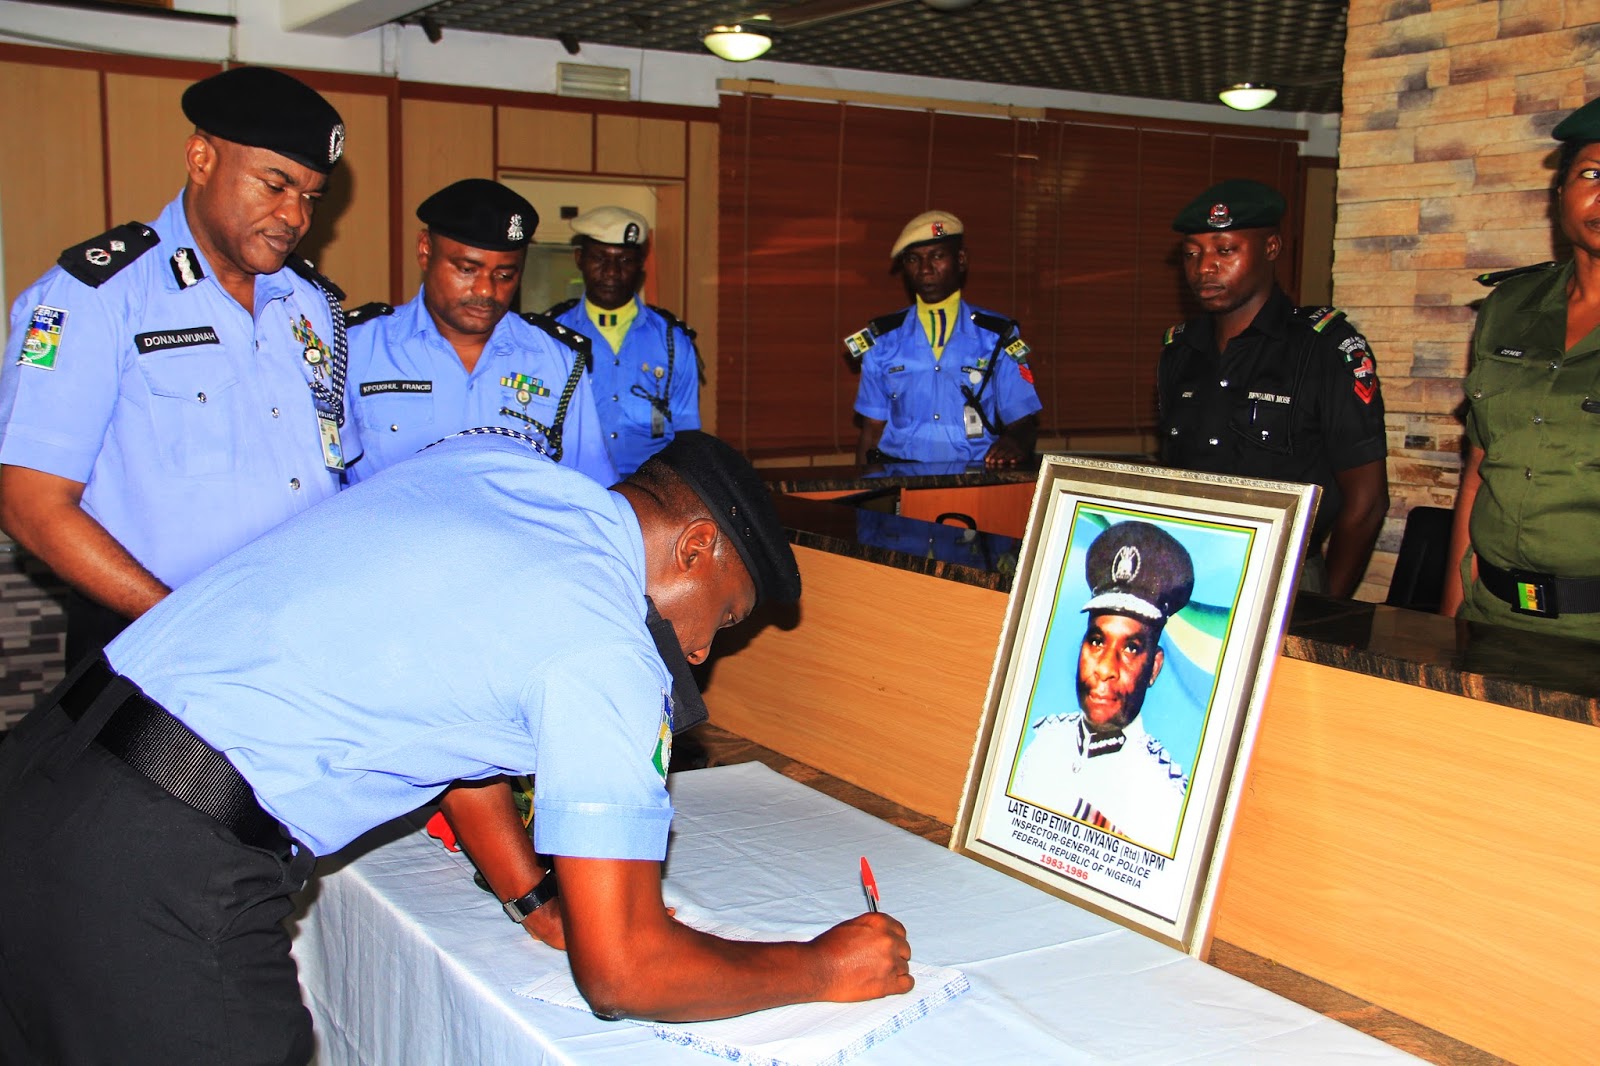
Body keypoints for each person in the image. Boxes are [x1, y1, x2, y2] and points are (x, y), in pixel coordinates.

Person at [0, 429, 911, 1064]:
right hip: (155, 874)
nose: (706, 650)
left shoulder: (489, 472)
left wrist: (530, 894)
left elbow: (452, 714)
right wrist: (821, 966)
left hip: (46, 767)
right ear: (698, 546)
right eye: (726, 615)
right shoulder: (606, 643)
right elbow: (626, 970)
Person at [0, 66, 360, 664]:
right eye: (274, 185)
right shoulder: (95, 296)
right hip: (150, 644)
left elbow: (334, 472)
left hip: (297, 641)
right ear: (201, 159)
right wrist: (184, 622)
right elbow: (28, 503)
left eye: (310, 197)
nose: (295, 217)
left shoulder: (312, 306)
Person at [1157, 179, 1388, 600]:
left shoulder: (1323, 348)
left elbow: (1367, 501)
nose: (1204, 267)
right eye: (1192, 254)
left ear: (1271, 249)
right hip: (1189, 572)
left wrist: (1325, 605)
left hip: (1285, 578)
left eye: (1225, 250)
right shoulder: (1180, 349)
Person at [1439, 99, 1600, 642]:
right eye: (1592, 173)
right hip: (1490, 613)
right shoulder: (1510, 307)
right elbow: (1479, 469)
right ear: (1560, 195)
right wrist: (1451, 617)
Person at [346, 179, 614, 484]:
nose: (487, 290)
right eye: (467, 269)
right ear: (425, 250)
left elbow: (591, 486)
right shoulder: (357, 349)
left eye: (504, 275)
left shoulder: (557, 359)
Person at [1011, 521, 1194, 852]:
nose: (1106, 669)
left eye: (1131, 648)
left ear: (1153, 668)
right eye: (1097, 641)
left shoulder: (1163, 797)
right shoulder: (1044, 745)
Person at [848, 210, 1041, 468]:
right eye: (914, 259)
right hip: (899, 478)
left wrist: (1015, 441)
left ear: (960, 260)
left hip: (974, 479)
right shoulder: (882, 338)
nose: (925, 269)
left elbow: (1023, 421)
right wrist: (861, 493)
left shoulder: (996, 335)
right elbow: (872, 431)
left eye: (937, 256)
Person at [548, 206, 701, 476]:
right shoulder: (549, 336)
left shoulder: (673, 342)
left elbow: (686, 436)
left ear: (640, 266)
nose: (611, 272)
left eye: (625, 261)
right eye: (599, 258)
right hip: (572, 490)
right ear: (579, 259)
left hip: (650, 494)